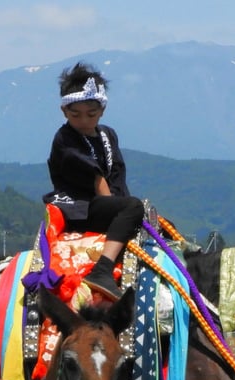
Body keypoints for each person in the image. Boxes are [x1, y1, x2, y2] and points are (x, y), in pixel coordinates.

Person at [43, 61, 145, 301]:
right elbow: (96, 177)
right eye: (75, 114)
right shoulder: (64, 139)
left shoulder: (108, 134)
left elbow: (117, 176)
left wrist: (125, 209)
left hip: (104, 203)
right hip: (79, 206)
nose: (84, 120)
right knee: (134, 207)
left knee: (145, 214)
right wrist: (122, 210)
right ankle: (102, 270)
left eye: (91, 114)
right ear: (64, 112)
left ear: (102, 111)